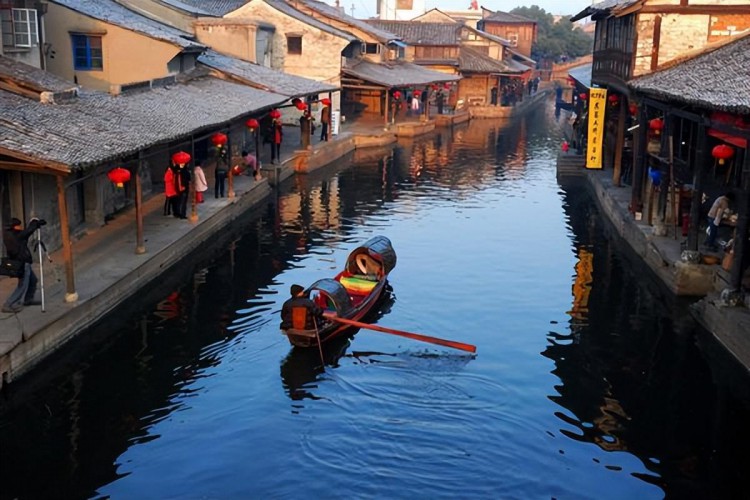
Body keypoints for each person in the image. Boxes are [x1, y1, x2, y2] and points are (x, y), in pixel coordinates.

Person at [2, 217, 45, 313]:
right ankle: (8, 304)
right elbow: (28, 231)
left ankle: (28, 299)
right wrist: (35, 223)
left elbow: (26, 233)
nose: (20, 227)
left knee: (33, 280)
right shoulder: (15, 236)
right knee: (22, 285)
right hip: (22, 263)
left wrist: (34, 224)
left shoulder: (11, 235)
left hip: (23, 262)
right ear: (14, 227)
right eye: (18, 225)